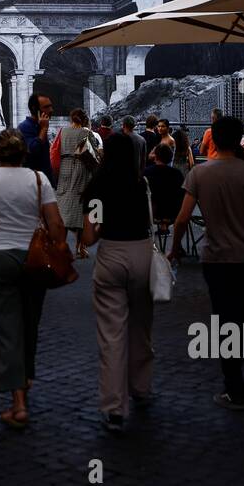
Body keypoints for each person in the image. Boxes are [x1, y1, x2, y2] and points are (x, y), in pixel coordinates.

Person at [171, 115, 244, 411]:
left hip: (215, 256)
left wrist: (175, 249)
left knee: (223, 317)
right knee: (240, 315)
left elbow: (182, 219)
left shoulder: (199, 174)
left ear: (213, 140)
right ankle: (237, 375)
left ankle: (233, 383)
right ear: (240, 140)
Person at [0, 129, 62, 428]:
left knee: (5, 327)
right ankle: (27, 377)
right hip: (33, 258)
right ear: (23, 154)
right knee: (30, 322)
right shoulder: (38, 179)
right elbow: (56, 225)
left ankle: (18, 402)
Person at [81, 133, 155, 432]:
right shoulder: (142, 183)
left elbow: (89, 236)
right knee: (141, 327)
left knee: (112, 335)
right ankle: (142, 388)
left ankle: (114, 408)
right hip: (142, 253)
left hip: (112, 254)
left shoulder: (98, 186)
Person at [53, 108, 99, 258]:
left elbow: (55, 149)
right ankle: (80, 247)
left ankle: (61, 245)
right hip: (81, 169)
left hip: (65, 168)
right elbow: (96, 150)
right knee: (80, 209)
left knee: (64, 207)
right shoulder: (86, 132)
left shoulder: (63, 131)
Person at [144, 143, 185, 229]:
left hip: (152, 213)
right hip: (173, 212)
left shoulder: (146, 173)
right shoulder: (177, 174)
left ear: (155, 156)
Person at [17, 93, 55, 184]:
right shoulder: (24, 127)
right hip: (33, 182)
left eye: (51, 106)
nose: (51, 110)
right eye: (46, 107)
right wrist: (44, 129)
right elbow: (33, 150)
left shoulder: (40, 125)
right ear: (35, 109)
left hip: (46, 179)